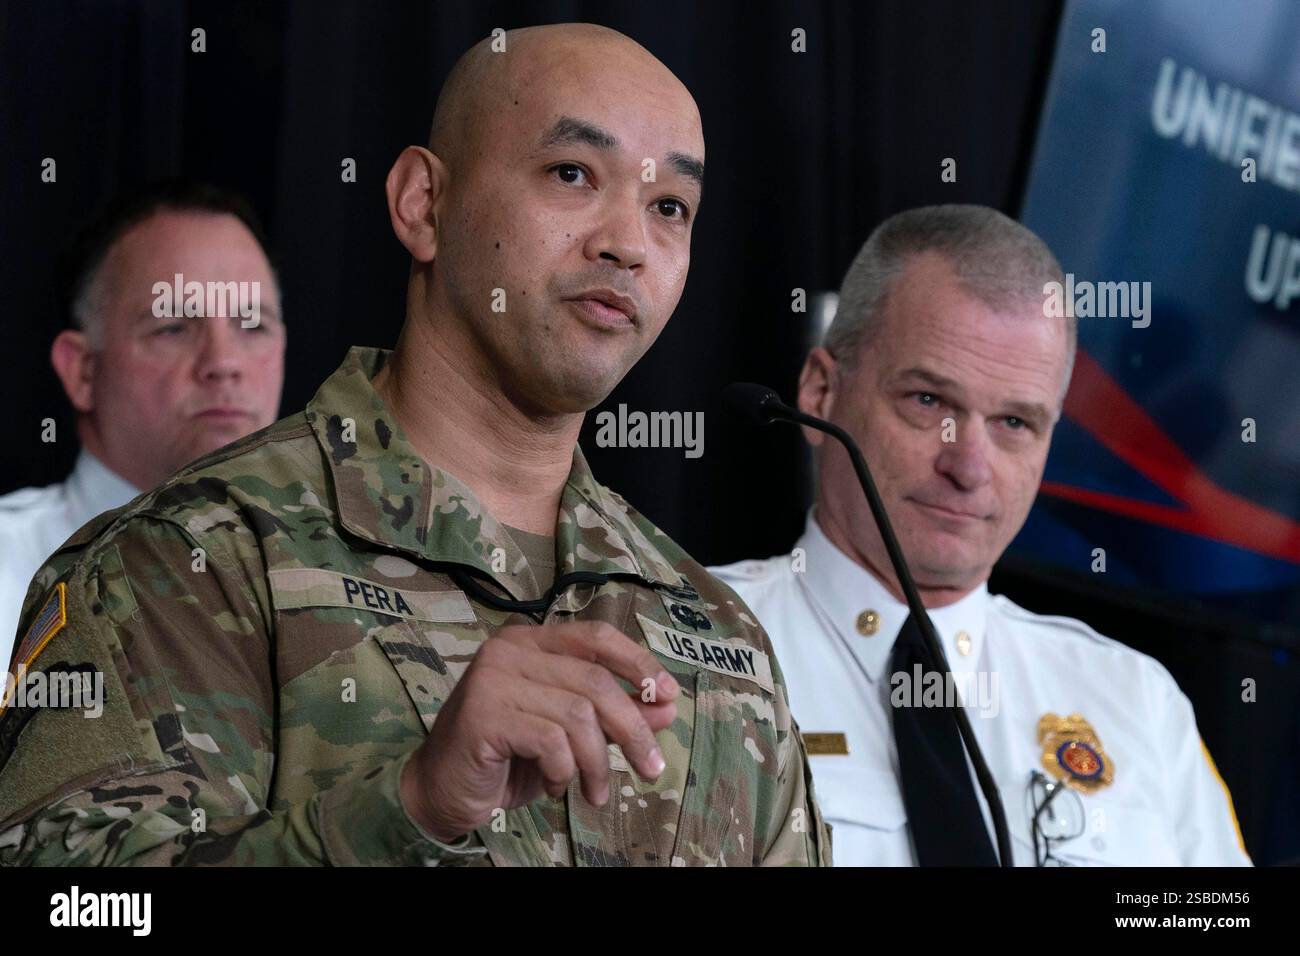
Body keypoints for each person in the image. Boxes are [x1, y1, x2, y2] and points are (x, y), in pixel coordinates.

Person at [0, 24, 828, 867]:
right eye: (572, 174)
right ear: (422, 203)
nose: (628, 244)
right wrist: (408, 809)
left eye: (669, 208)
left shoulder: (718, 639)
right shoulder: (184, 563)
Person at [712, 205, 1250, 866]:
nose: (968, 466)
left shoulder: (1138, 701)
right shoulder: (688, 654)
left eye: (1015, 424)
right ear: (821, 391)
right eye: (929, 401)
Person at [0, 182, 287, 664]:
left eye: (252, 326)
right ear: (82, 369)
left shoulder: (338, 577)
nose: (223, 363)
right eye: (173, 327)